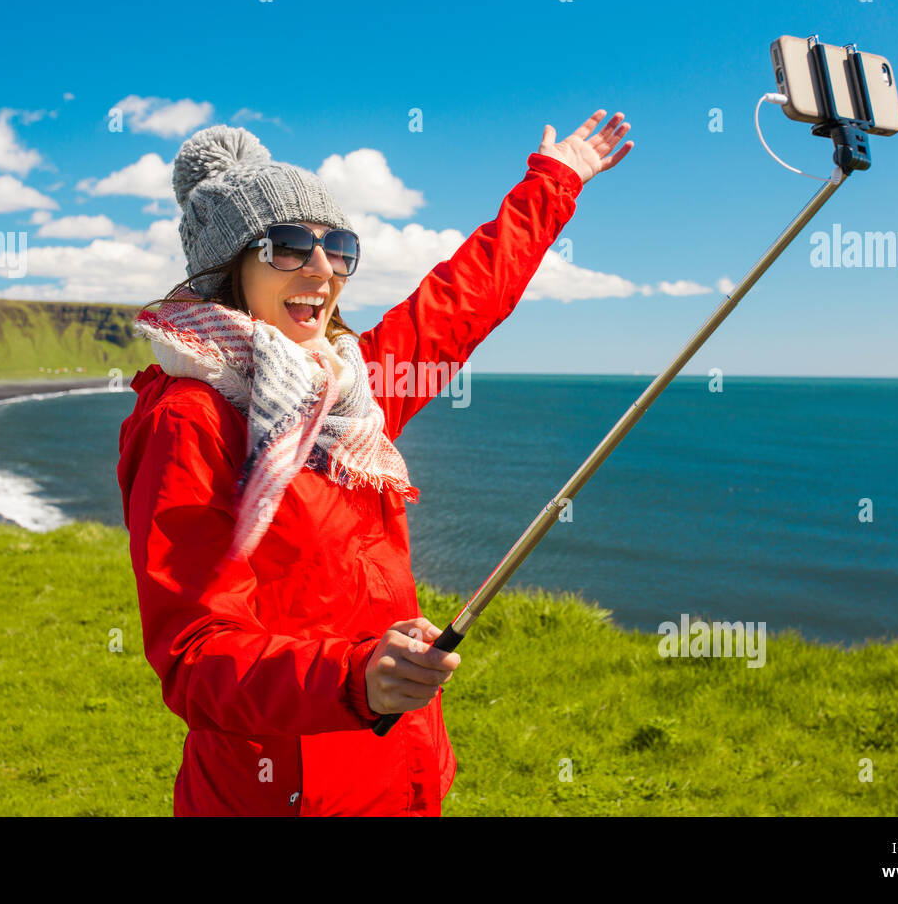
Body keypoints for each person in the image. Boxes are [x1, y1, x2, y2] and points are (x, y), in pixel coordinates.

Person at [117, 111, 632, 816]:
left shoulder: (348, 386)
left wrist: (555, 180)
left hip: (400, 769)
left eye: (338, 248)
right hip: (283, 791)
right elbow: (194, 657)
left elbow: (462, 301)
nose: (322, 271)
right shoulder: (190, 419)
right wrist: (352, 678)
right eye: (290, 246)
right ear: (226, 267)